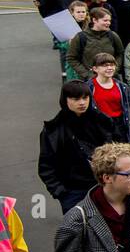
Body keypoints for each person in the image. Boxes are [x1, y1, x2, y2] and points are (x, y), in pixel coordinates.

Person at [39, 81, 114, 213]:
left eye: (85, 98)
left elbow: (117, 151)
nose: (82, 103)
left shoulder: (102, 121)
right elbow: (46, 166)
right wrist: (61, 193)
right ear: (65, 100)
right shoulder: (54, 130)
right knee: (79, 232)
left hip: (105, 186)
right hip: (73, 192)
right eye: (76, 99)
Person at [87, 52, 130, 141]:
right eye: (105, 66)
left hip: (120, 126)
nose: (110, 68)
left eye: (112, 65)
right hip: (99, 127)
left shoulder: (123, 87)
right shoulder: (88, 87)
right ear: (95, 69)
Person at [67, 7, 124, 80]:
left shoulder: (112, 36)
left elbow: (120, 54)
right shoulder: (80, 37)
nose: (108, 23)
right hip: (89, 81)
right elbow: (71, 58)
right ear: (94, 20)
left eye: (109, 20)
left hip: (111, 79)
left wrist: (114, 69)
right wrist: (87, 74)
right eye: (105, 20)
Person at [60, 1, 90, 80]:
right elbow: (59, 44)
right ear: (72, 13)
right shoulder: (66, 26)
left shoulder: (91, 25)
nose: (81, 14)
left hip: (88, 59)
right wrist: (68, 43)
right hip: (73, 60)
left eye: (83, 12)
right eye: (78, 12)